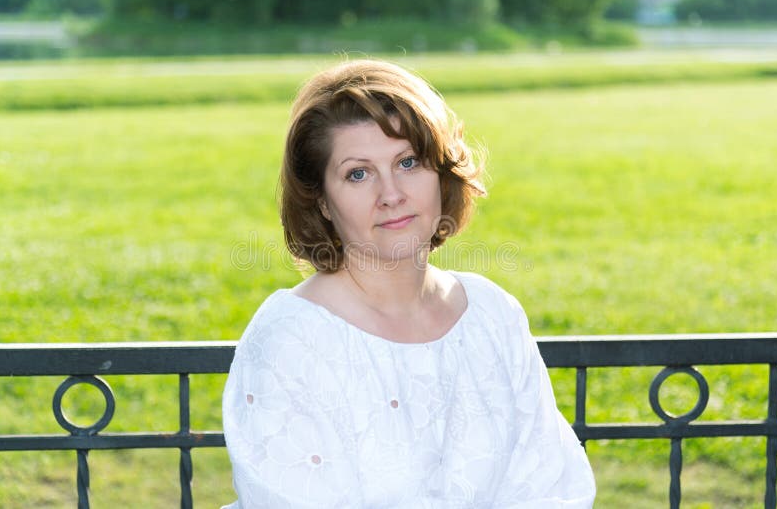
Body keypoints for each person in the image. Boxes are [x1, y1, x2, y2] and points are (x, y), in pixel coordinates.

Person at [222, 59, 596, 508]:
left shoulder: (492, 314)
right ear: (321, 201)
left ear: (441, 171)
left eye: (408, 162)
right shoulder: (291, 339)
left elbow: (547, 488)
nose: (392, 194)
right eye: (358, 173)